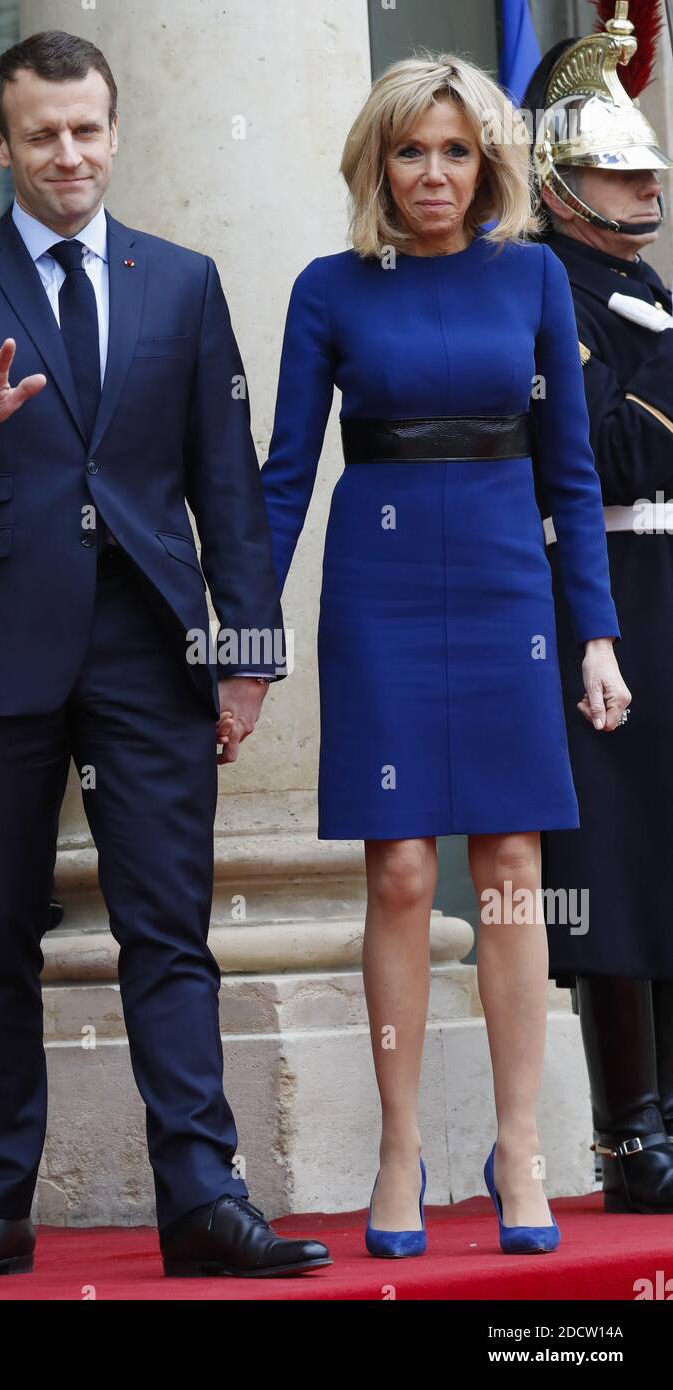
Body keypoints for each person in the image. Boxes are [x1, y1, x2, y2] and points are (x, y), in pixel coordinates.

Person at [0, 29, 331, 1281]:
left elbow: (225, 483)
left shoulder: (181, 281)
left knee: (169, 931)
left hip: (149, 645)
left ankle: (201, 1199)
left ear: (114, 134)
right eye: (41, 134)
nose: (68, 154)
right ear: (2, 144)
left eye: (86, 130)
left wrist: (244, 652)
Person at [259, 51, 630, 1257]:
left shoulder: (528, 279)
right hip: (377, 585)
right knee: (402, 872)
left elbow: (570, 475)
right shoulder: (326, 288)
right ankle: (398, 1145)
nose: (433, 173)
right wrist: (246, 635)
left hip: (502, 582)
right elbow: (282, 479)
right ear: (378, 160)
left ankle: (518, 1144)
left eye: (456, 151)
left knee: (514, 856)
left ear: (488, 166)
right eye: (412, 150)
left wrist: (594, 634)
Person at [524, 3, 673, 1213]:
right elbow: (602, 455)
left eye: (639, 168)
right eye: (609, 170)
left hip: (666, 582)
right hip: (601, 587)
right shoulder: (541, 289)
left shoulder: (643, 293)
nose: (635, 187)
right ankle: (629, 1139)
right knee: (610, 863)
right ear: (558, 183)